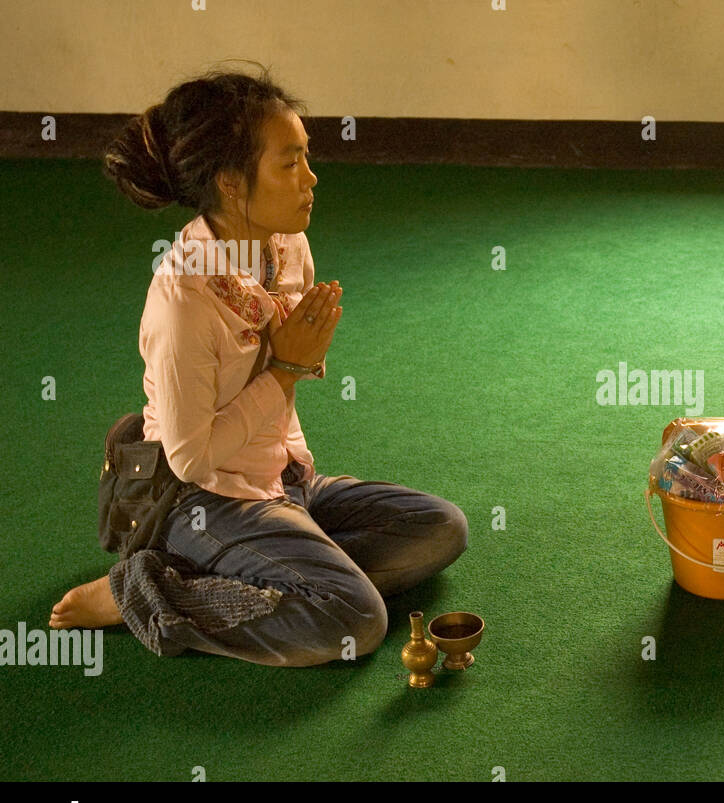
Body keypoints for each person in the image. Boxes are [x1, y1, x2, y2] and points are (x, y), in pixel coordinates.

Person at [49, 67, 468, 666]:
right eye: (290, 163)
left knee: (442, 528)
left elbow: (279, 371)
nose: (311, 178)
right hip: (198, 498)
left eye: (307, 158)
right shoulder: (183, 301)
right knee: (354, 619)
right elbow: (192, 458)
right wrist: (287, 370)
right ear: (230, 183)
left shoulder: (285, 245)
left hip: (281, 482)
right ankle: (146, 589)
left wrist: (288, 369)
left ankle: (282, 564)